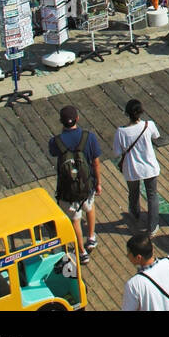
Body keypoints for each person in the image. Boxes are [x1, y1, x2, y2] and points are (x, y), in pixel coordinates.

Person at [47, 105, 101, 265]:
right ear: (77, 119)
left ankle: (82, 253)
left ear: (61, 122)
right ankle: (91, 237)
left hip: (67, 190)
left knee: (75, 220)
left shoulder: (55, 142)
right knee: (90, 208)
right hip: (87, 185)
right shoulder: (89, 137)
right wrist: (98, 183)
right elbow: (96, 163)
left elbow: (53, 152)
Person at [112, 99, 161, 237]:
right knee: (152, 195)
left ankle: (135, 214)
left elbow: (116, 152)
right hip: (149, 167)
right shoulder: (148, 125)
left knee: (133, 193)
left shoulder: (121, 132)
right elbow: (156, 136)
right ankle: (152, 227)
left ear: (127, 114)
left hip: (131, 169)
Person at [121, 233, 169, 312]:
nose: (127, 255)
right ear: (153, 248)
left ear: (138, 257)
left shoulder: (134, 284)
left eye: (128, 253)